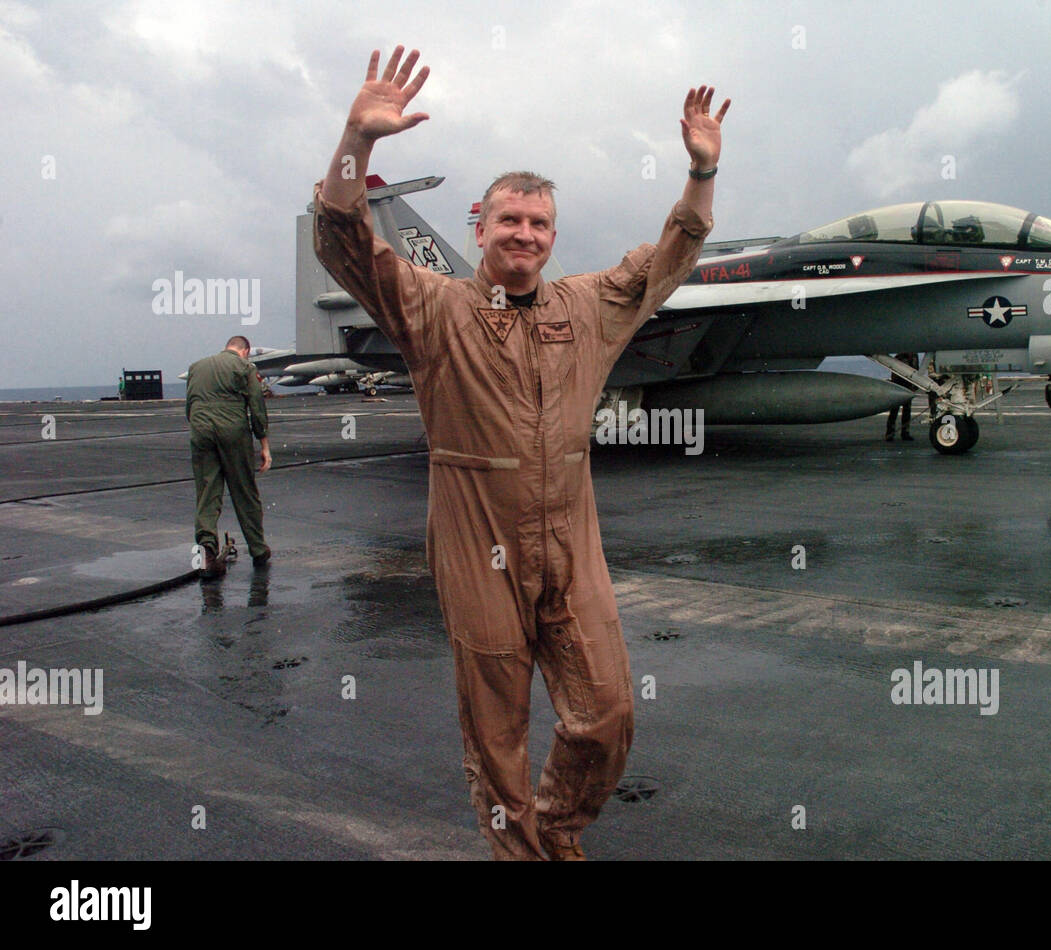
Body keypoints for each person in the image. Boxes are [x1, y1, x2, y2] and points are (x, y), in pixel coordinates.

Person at [312, 46, 727, 860]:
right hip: (479, 549)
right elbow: (344, 241)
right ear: (482, 229)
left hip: (572, 547)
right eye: (509, 221)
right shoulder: (434, 310)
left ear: (551, 237)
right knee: (497, 739)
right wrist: (357, 141)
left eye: (538, 224)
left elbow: (671, 255)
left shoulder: (589, 306)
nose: (524, 235)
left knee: (606, 715)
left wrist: (701, 172)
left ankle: (558, 828)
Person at [186, 335, 273, 577]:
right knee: (244, 490)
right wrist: (264, 444)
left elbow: (190, 405)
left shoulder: (196, 367)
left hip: (200, 430)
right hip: (233, 432)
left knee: (207, 491)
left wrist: (200, 428)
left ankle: (207, 549)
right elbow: (257, 406)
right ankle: (257, 548)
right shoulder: (245, 367)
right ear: (245, 351)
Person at [885, 352, 918, 441]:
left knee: (905, 411)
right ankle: (891, 433)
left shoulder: (913, 357)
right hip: (899, 386)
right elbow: (895, 373)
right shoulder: (901, 357)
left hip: (907, 386)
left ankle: (903, 432)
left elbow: (917, 371)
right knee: (895, 410)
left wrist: (914, 385)